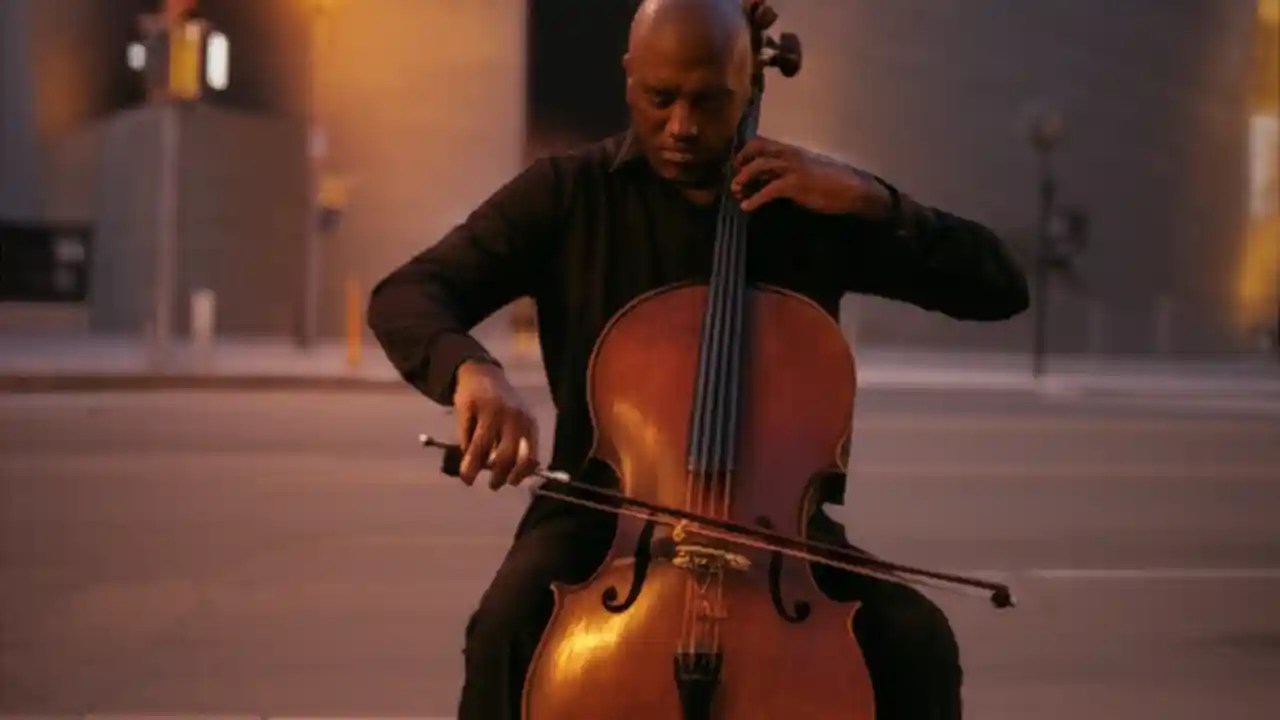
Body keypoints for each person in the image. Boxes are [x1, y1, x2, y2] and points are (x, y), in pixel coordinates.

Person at [368, 0, 1029, 717]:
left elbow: (999, 288)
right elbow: (409, 293)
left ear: (750, 86)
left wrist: (875, 201)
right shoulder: (567, 195)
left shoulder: (806, 206)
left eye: (709, 101)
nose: (682, 125)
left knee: (917, 641)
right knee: (505, 628)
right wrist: (472, 369)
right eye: (661, 98)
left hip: (776, 535)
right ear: (628, 78)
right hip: (603, 524)